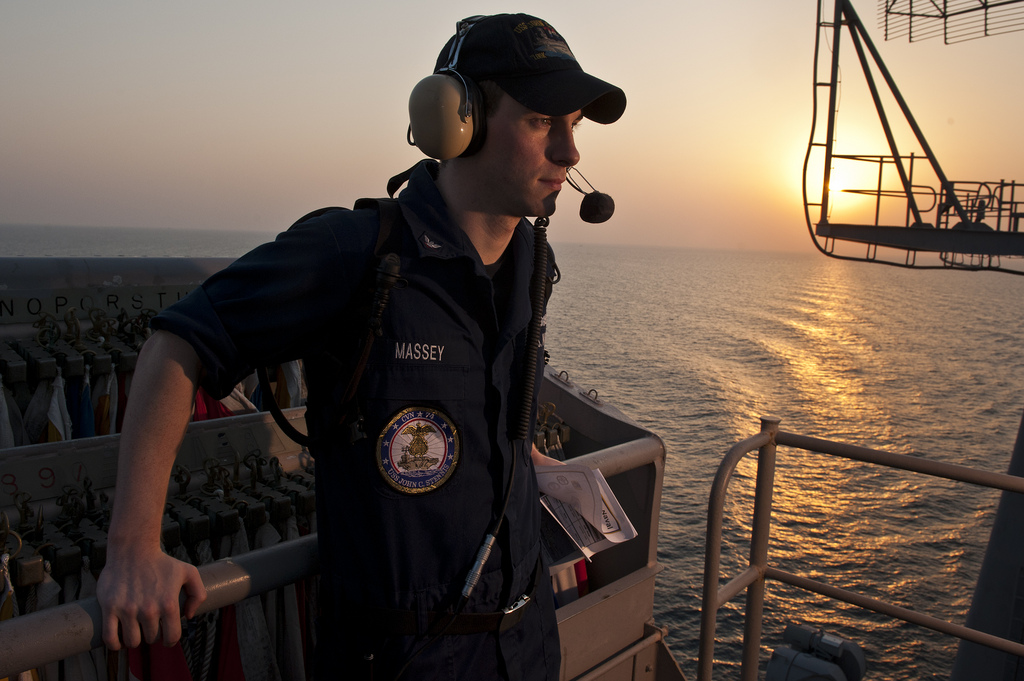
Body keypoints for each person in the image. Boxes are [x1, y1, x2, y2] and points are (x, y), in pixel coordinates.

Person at [96, 13, 626, 680]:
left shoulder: (530, 264)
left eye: (573, 125)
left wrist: (525, 459)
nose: (570, 152)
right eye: (542, 121)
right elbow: (176, 346)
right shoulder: (356, 253)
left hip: (525, 649)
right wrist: (133, 546)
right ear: (457, 118)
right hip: (403, 661)